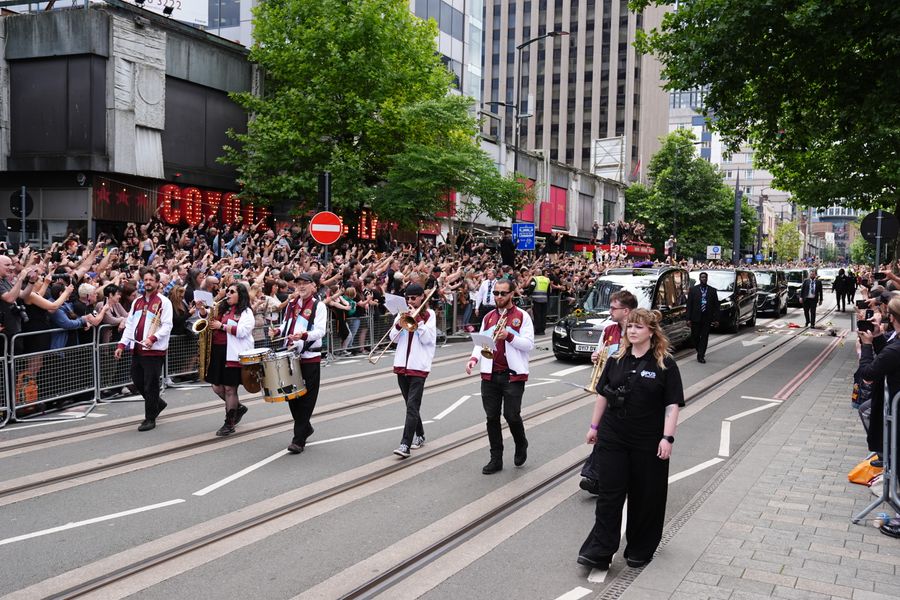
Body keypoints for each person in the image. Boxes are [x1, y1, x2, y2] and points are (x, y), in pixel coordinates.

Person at [577, 308, 684, 570]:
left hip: (647, 440)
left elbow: (672, 405)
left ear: (651, 331)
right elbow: (602, 394)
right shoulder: (616, 359)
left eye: (639, 327)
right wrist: (594, 426)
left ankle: (640, 547)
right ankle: (600, 550)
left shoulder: (665, 364)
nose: (632, 331)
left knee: (646, 496)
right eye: (630, 327)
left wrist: (667, 438)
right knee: (609, 496)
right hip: (614, 437)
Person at [465, 278, 535, 474]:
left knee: (511, 415)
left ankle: (521, 443)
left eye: (503, 293)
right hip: (490, 374)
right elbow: (480, 342)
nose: (498, 297)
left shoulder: (521, 316)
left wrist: (509, 336)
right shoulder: (488, 317)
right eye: (496, 293)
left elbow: (529, 345)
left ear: (512, 294)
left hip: (512, 375)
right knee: (491, 418)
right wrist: (473, 360)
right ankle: (496, 458)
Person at [581, 290, 638, 494]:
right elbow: (600, 352)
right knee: (606, 435)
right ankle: (595, 476)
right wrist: (596, 356)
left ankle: (599, 476)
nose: (610, 311)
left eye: (614, 308)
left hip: (630, 393)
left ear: (626, 310)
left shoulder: (638, 332)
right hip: (610, 389)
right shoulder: (609, 330)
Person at [271, 272, 326, 454]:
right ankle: (305, 427)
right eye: (298, 283)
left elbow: (320, 331)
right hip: (291, 355)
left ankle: (298, 439)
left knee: (307, 399)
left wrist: (303, 336)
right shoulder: (292, 305)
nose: (301, 286)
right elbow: (287, 324)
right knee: (292, 397)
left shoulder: (319, 306)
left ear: (313, 286)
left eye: (305, 283)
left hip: (309, 357)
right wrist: (278, 331)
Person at [115, 268, 174, 432]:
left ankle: (150, 418)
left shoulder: (164, 302)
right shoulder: (137, 302)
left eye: (151, 280)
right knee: (137, 379)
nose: (148, 282)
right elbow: (129, 325)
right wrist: (121, 345)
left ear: (157, 282)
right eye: (145, 280)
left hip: (153, 350)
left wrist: (152, 338)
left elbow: (167, 325)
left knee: (151, 384)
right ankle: (158, 403)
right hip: (137, 349)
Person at [200, 283, 255, 436]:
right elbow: (210, 321)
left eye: (232, 292)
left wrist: (222, 326)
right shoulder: (223, 308)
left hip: (233, 353)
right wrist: (203, 311)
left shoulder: (246, 312)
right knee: (217, 387)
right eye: (228, 291)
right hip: (217, 351)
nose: (228, 294)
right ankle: (238, 407)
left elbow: (243, 331)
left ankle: (229, 422)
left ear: (240, 295)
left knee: (230, 389)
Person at [390, 283, 437, 458]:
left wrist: (417, 321)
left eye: (414, 298)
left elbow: (428, 339)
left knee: (412, 406)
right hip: (402, 365)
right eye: (408, 298)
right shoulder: (401, 314)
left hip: (418, 366)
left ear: (421, 297)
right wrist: (398, 324)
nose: (410, 301)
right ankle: (421, 434)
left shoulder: (428, 314)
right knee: (410, 405)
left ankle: (405, 444)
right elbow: (392, 340)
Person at [686, 272, 720, 363]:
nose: (704, 279)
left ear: (707, 279)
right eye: (702, 277)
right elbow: (689, 305)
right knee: (695, 337)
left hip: (707, 318)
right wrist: (688, 318)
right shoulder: (693, 290)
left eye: (705, 277)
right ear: (700, 278)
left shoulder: (712, 291)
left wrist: (716, 319)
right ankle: (699, 349)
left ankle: (701, 355)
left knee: (704, 337)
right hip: (695, 317)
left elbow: (716, 306)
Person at [526, 267, 551, 335]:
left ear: (536, 273)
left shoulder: (535, 279)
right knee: (543, 315)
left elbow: (531, 287)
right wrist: (547, 299)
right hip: (545, 300)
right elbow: (548, 291)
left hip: (536, 300)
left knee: (537, 315)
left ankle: (538, 330)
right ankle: (542, 330)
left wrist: (527, 294)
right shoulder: (547, 279)